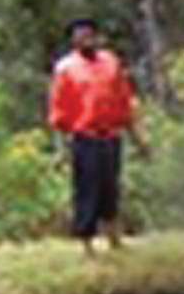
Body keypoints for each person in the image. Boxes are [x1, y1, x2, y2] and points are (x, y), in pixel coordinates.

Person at [47, 16, 150, 256]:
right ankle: (87, 245)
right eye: (80, 36)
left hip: (111, 136)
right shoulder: (66, 68)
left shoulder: (111, 62)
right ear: (73, 40)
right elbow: (59, 110)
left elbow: (125, 101)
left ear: (96, 37)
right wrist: (61, 149)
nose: (85, 39)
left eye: (89, 35)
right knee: (86, 190)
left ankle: (115, 239)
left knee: (110, 188)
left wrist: (138, 137)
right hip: (85, 137)